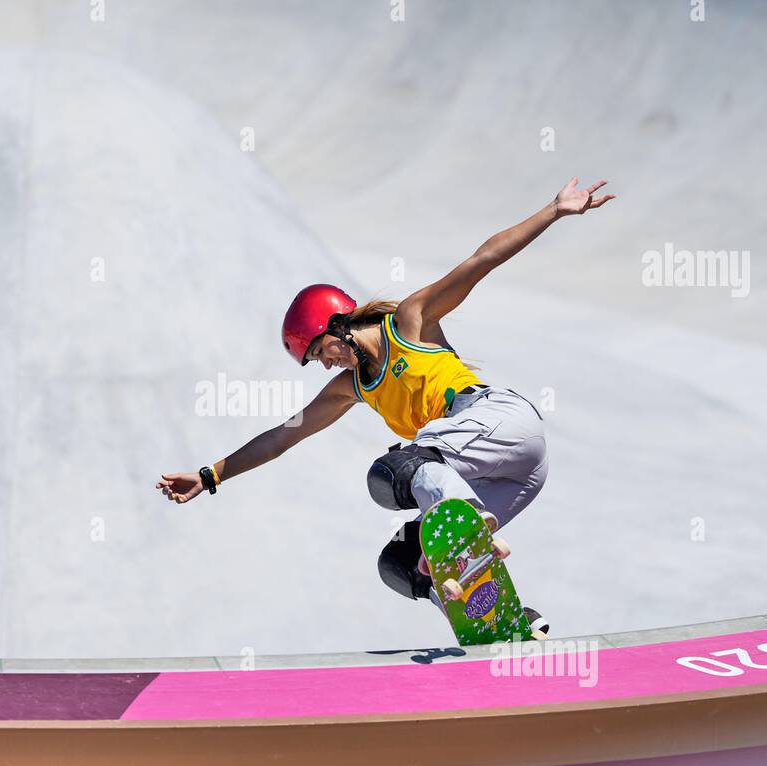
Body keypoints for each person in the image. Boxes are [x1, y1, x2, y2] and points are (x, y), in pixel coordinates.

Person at [156, 178, 615, 633]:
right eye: (316, 361)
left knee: (395, 471)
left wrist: (553, 211)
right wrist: (211, 474)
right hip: (503, 476)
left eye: (321, 351)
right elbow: (282, 436)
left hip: (502, 423)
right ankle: (501, 620)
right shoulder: (349, 388)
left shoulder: (410, 323)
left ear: (338, 324)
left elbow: (482, 260)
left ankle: (465, 527)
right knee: (400, 560)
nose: (325, 364)